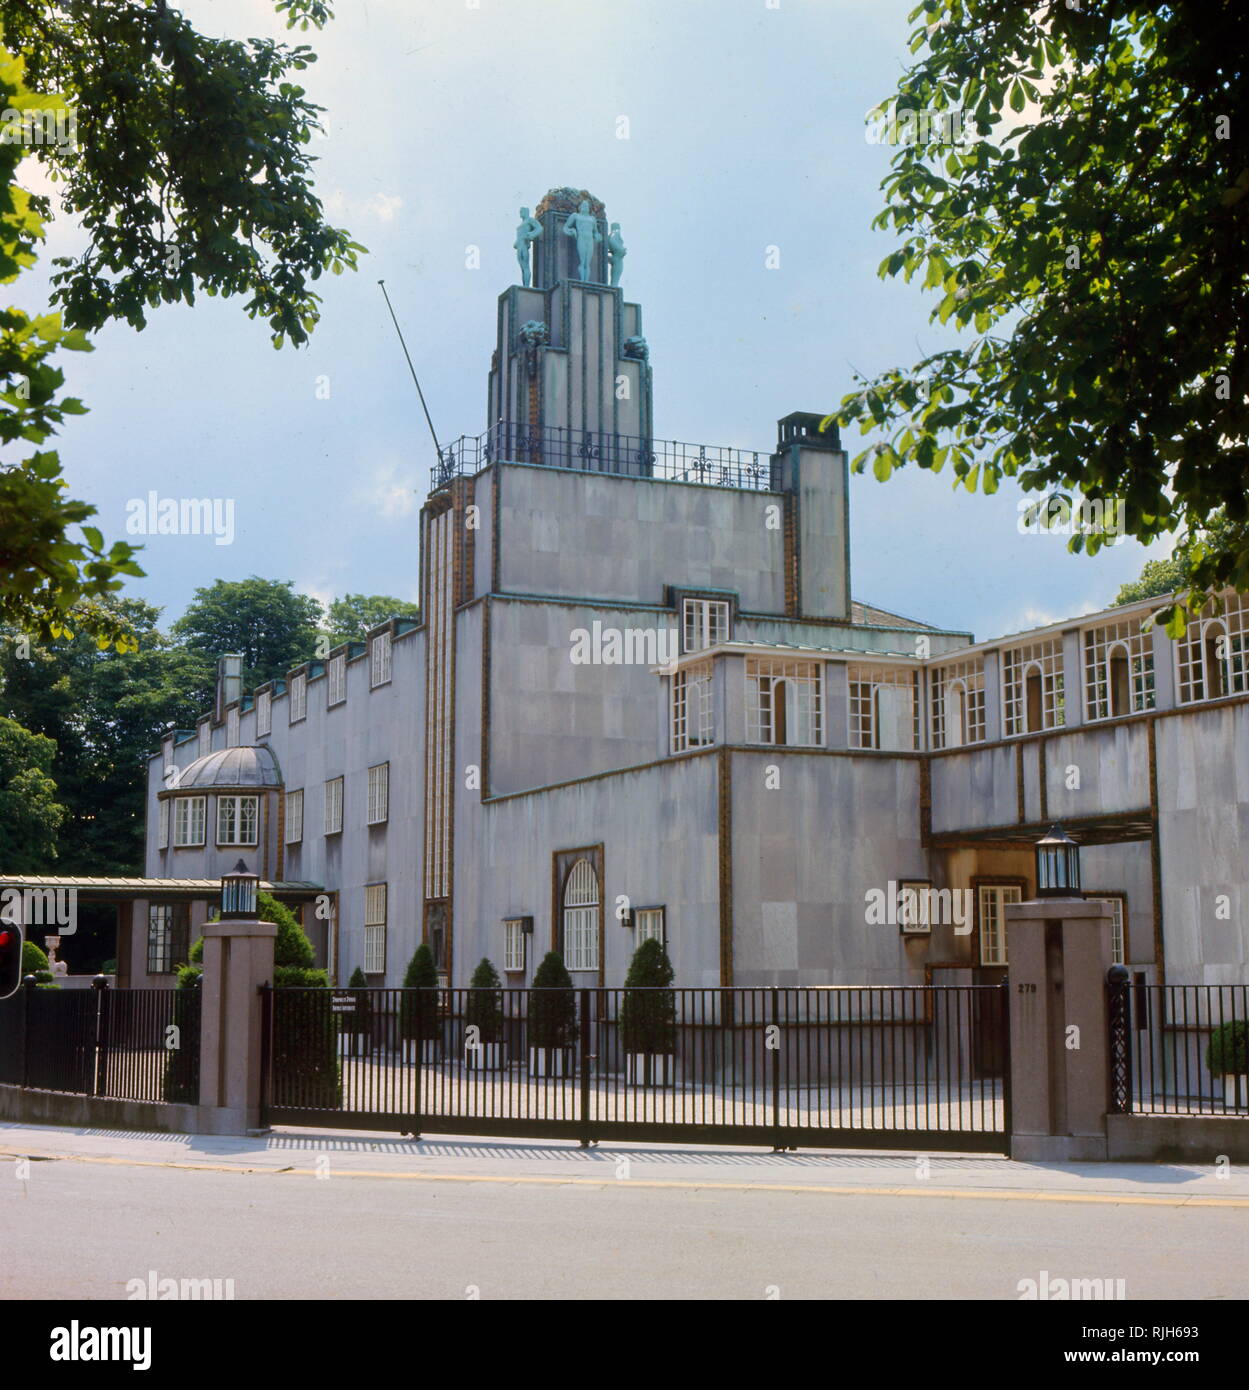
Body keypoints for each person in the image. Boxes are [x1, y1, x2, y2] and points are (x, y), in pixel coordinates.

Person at [563, 199, 601, 281]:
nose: (585, 207)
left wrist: (597, 236)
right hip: (581, 238)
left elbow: (595, 231)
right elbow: (565, 227)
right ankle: (582, 281)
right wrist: (572, 231)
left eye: (586, 206)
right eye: (583, 205)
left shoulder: (592, 219)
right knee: (582, 261)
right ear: (579, 207)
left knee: (587, 263)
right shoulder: (575, 216)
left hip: (590, 239)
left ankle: (586, 282)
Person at [514, 207, 542, 287]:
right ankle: (525, 285)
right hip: (519, 246)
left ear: (526, 212)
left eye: (522, 211)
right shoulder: (522, 224)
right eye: (520, 211)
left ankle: (526, 285)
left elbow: (539, 228)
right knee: (522, 268)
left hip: (524, 246)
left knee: (526, 267)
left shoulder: (530, 220)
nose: (520, 213)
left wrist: (532, 234)